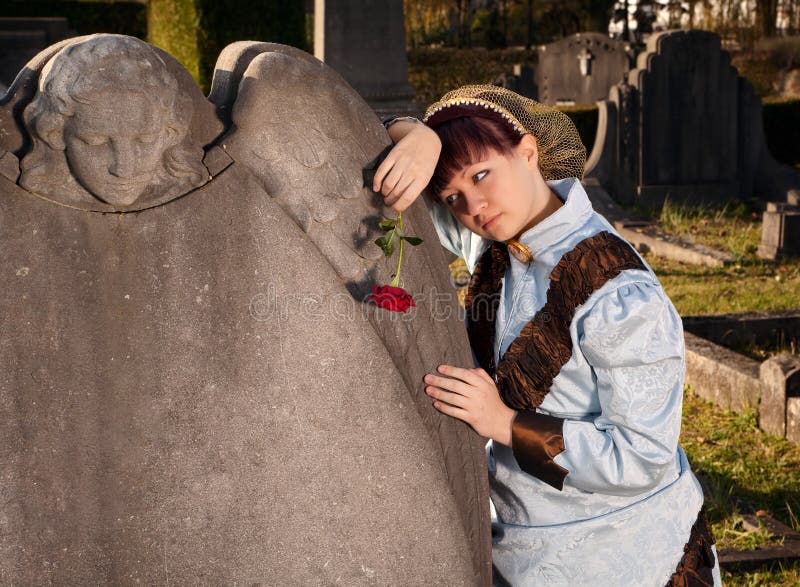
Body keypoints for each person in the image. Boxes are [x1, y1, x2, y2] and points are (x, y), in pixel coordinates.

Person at [373, 85, 721, 586]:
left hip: (625, 554)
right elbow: (399, 187)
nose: (474, 204)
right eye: (454, 196)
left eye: (482, 174)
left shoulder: (621, 294)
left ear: (529, 150)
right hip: (518, 540)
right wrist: (415, 135)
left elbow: (641, 455)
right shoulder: (494, 239)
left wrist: (506, 423)